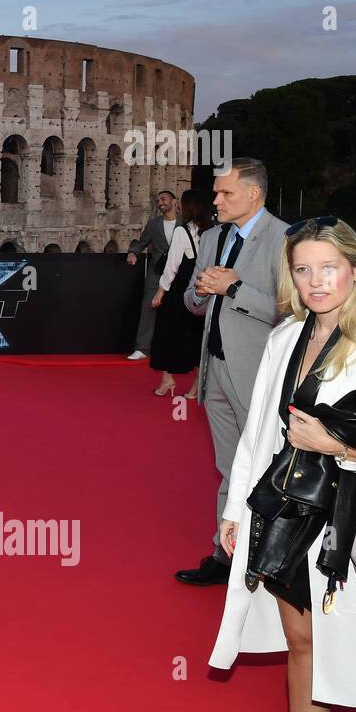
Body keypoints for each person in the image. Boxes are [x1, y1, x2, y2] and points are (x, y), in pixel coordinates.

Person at [209, 216, 356, 712]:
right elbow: (258, 436)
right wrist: (237, 512)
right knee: (301, 643)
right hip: (287, 514)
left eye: (329, 268)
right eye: (303, 269)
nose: (316, 281)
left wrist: (341, 448)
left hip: (353, 522)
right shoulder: (285, 338)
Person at [176, 160, 289, 586]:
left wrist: (235, 289)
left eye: (225, 194)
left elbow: (289, 310)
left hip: (258, 375)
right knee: (228, 466)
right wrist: (201, 292)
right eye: (216, 193)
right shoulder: (211, 237)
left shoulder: (283, 239)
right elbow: (190, 302)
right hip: (215, 371)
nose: (216, 201)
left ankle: (267, 560)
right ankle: (224, 556)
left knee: (263, 468)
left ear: (254, 194)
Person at [148, 189, 214, 397]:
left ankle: (167, 379)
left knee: (168, 334)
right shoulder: (214, 232)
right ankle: (195, 386)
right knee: (196, 338)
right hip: (204, 290)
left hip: (179, 292)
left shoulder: (182, 232)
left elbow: (172, 265)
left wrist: (160, 292)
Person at [126, 191, 178, 360]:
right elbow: (141, 243)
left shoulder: (186, 223)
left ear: (174, 201)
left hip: (179, 273)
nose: (160, 202)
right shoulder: (154, 224)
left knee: (178, 311)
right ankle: (142, 348)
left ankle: (177, 348)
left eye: (163, 199)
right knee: (148, 308)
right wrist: (133, 253)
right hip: (156, 272)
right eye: (158, 200)